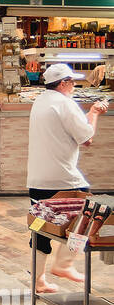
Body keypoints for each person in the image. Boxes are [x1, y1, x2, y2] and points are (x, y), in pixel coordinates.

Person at [27, 62, 108, 293]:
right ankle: (64, 264)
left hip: (37, 180)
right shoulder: (65, 103)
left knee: (41, 225)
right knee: (89, 214)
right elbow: (87, 139)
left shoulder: (40, 101)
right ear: (63, 83)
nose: (73, 85)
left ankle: (38, 280)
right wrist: (93, 113)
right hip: (63, 179)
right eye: (71, 82)